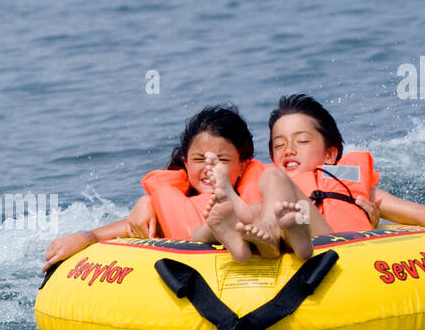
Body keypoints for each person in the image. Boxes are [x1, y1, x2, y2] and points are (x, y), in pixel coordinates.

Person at [43, 106, 325, 270]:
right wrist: (85, 236)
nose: (209, 167)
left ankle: (277, 230)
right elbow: (124, 230)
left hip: (289, 233)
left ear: (243, 164)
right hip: (236, 240)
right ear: (184, 163)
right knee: (210, 225)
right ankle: (231, 233)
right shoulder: (167, 203)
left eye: (222, 160)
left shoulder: (265, 180)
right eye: (199, 160)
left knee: (267, 195)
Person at [267, 94, 425, 244]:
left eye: (302, 141)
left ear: (330, 154)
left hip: (344, 260)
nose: (288, 150)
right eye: (279, 145)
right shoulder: (263, 192)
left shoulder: (352, 194)